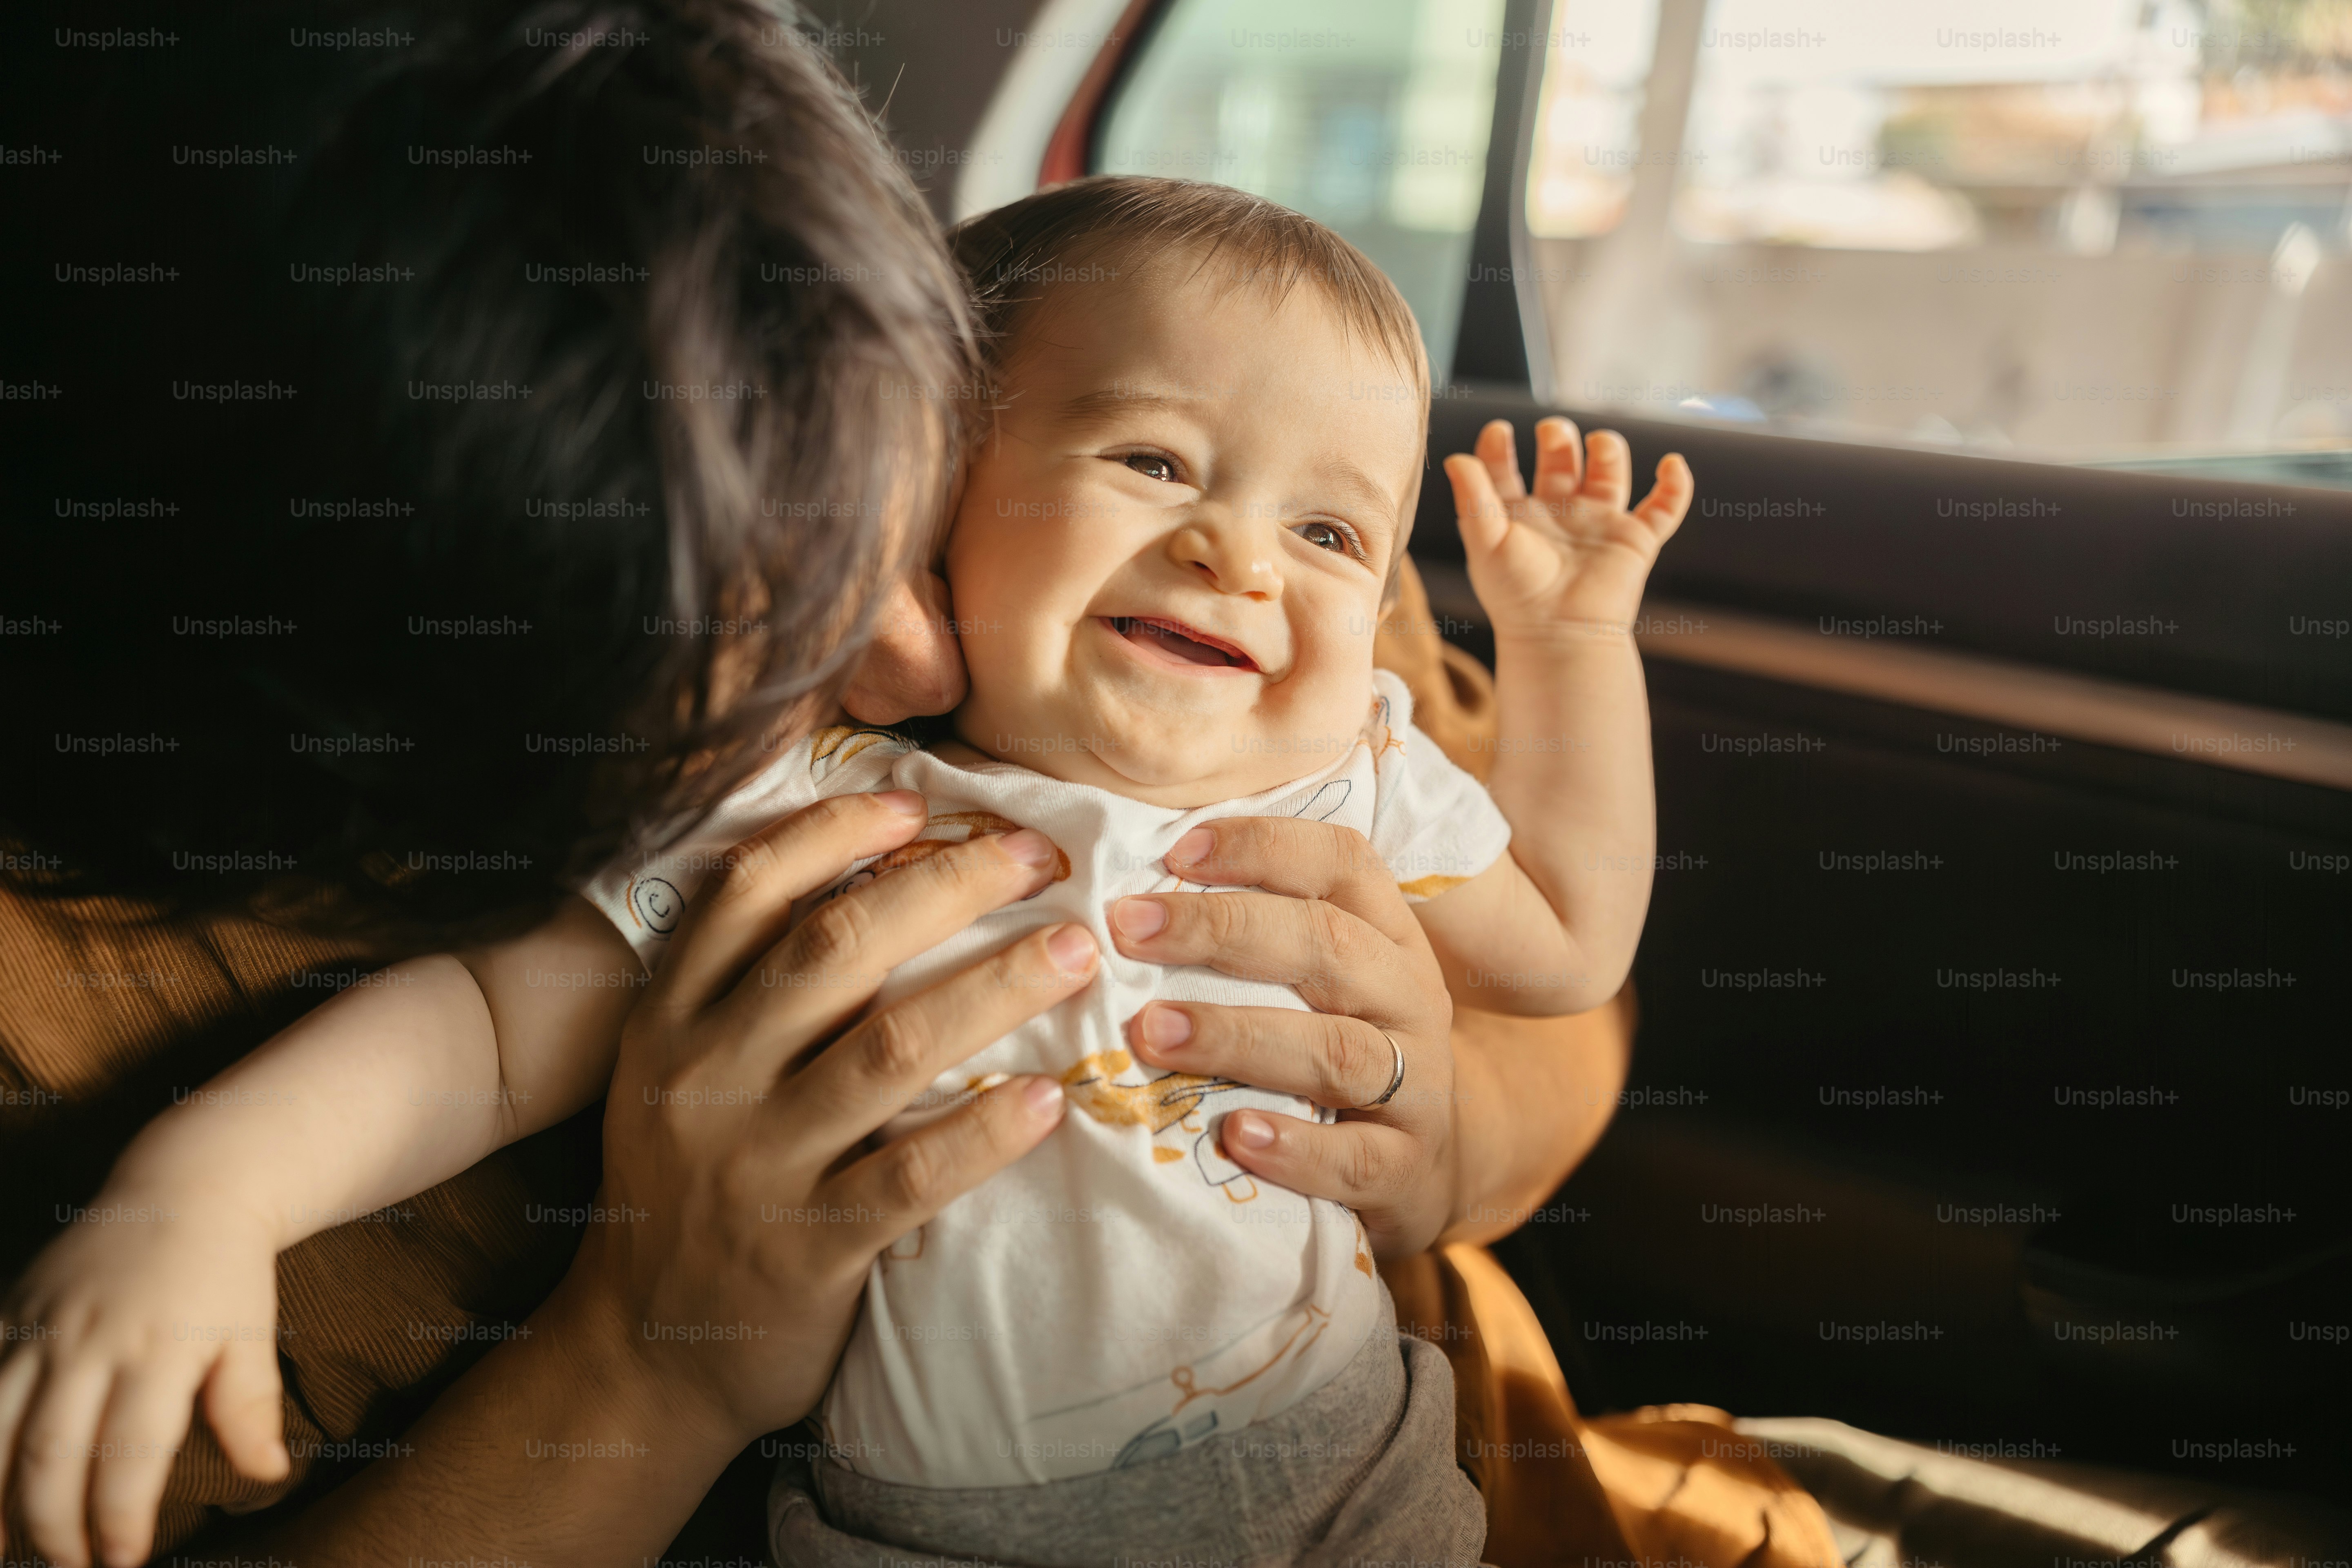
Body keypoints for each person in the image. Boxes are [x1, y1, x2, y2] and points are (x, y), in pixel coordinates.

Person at [0, 6, 1640, 1566]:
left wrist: (1443, 1145)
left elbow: (1568, 962)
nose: (914, 666)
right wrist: (218, 1200)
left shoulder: (1289, 657)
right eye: (789, 613)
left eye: (898, 518)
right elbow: (488, 1032)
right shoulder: (813, 803)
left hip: (1370, 1461)